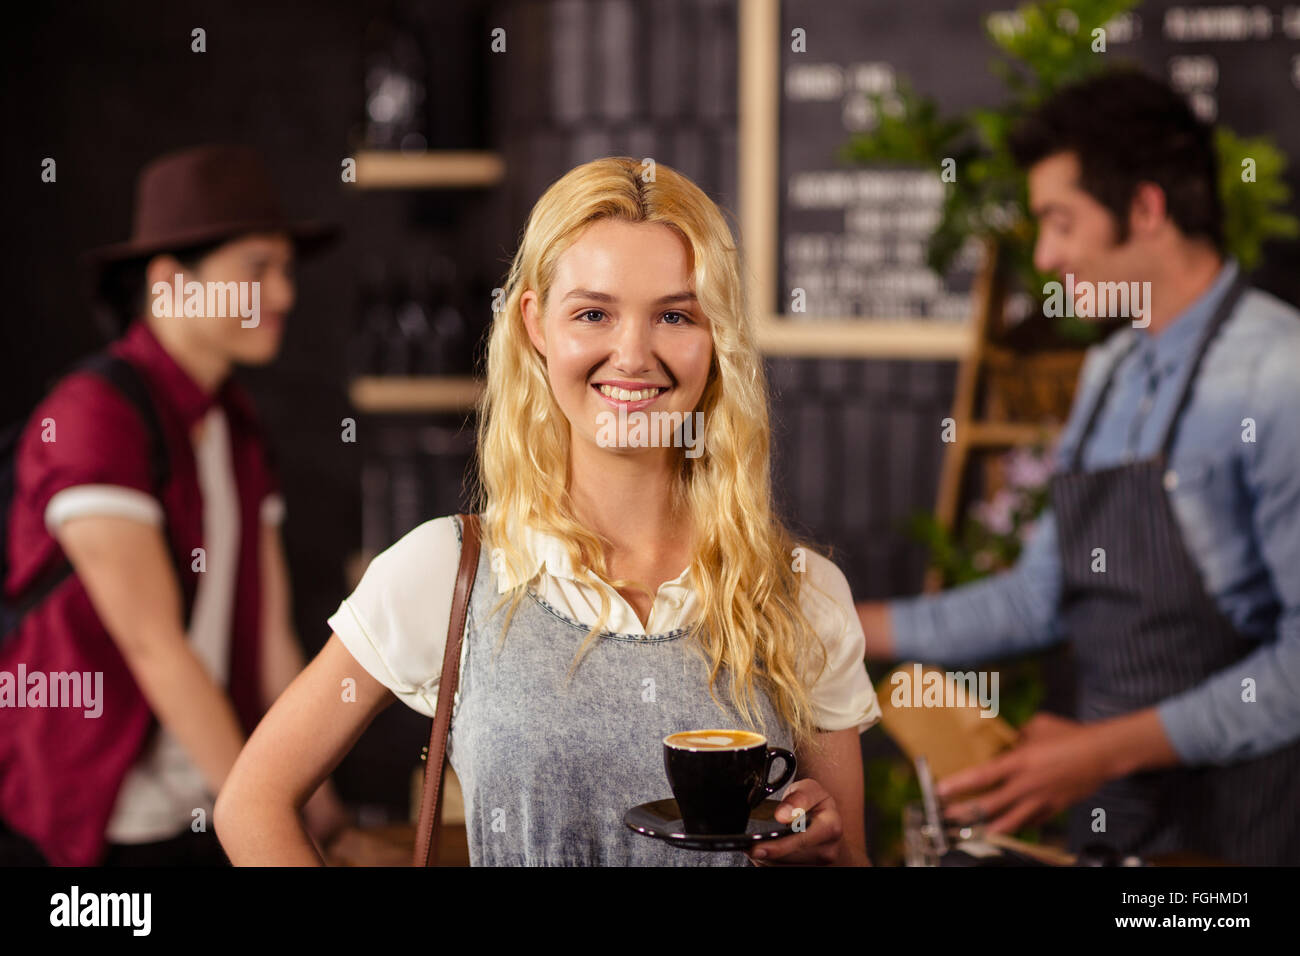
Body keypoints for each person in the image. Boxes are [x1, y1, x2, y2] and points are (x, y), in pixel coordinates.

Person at [214, 156, 883, 866]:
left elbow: (849, 859)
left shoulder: (801, 595)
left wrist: (829, 853)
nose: (633, 355)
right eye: (593, 313)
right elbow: (251, 804)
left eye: (676, 315)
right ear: (534, 323)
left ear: (717, 336)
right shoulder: (447, 571)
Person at [857, 71, 1300, 865]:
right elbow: (1039, 597)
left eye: (1060, 222)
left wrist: (1103, 750)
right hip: (1119, 827)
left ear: (1146, 207)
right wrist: (843, 626)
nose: (1047, 255)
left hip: (1243, 835)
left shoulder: (1279, 376)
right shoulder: (1110, 374)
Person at [0, 144, 355, 866]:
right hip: (101, 824)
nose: (284, 295)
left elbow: (273, 645)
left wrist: (330, 822)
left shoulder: (235, 424)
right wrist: (268, 823)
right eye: (256, 270)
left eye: (285, 271)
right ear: (170, 283)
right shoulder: (93, 416)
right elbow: (153, 645)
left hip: (209, 806)